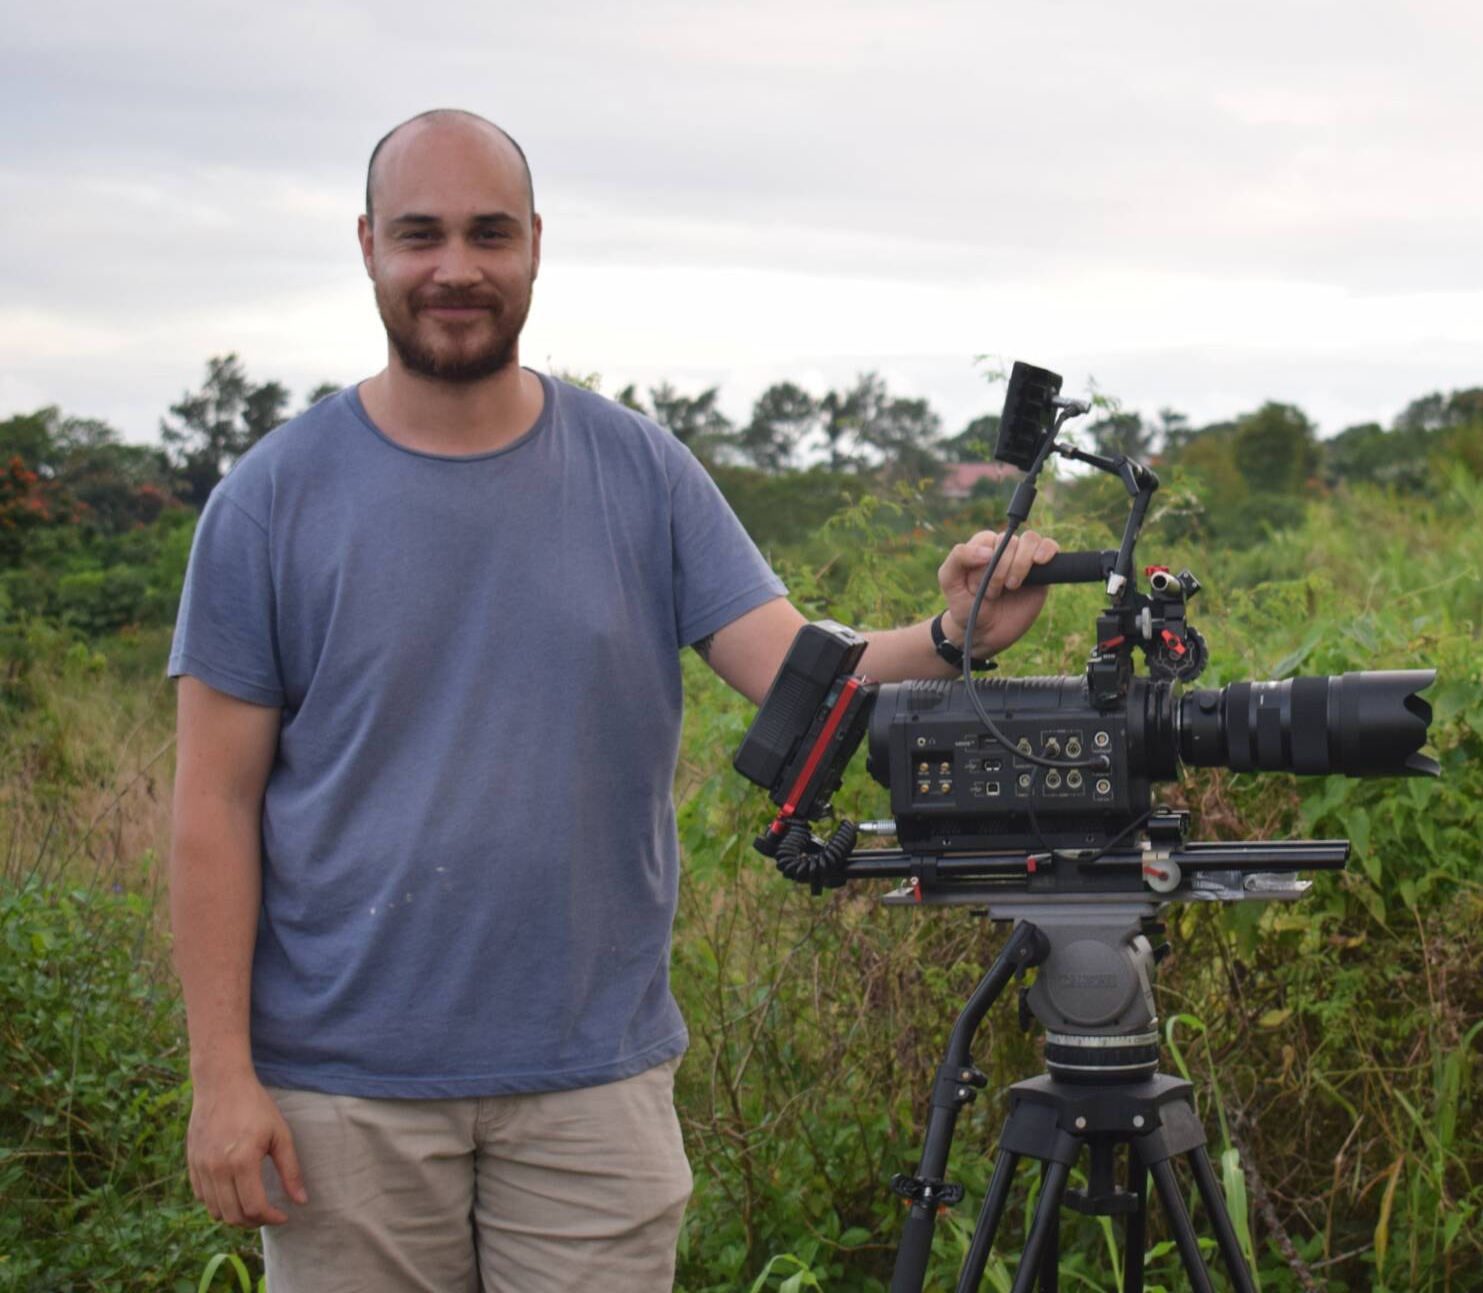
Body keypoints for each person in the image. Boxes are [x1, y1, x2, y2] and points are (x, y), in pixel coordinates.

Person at [168, 108, 1057, 1292]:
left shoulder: (635, 467)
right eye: (420, 234)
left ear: (534, 243)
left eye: (488, 234)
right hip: (342, 1091)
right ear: (367, 244)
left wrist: (953, 633)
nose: (454, 268)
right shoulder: (271, 499)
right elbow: (212, 809)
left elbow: (802, 673)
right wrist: (223, 1079)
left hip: (592, 1084)